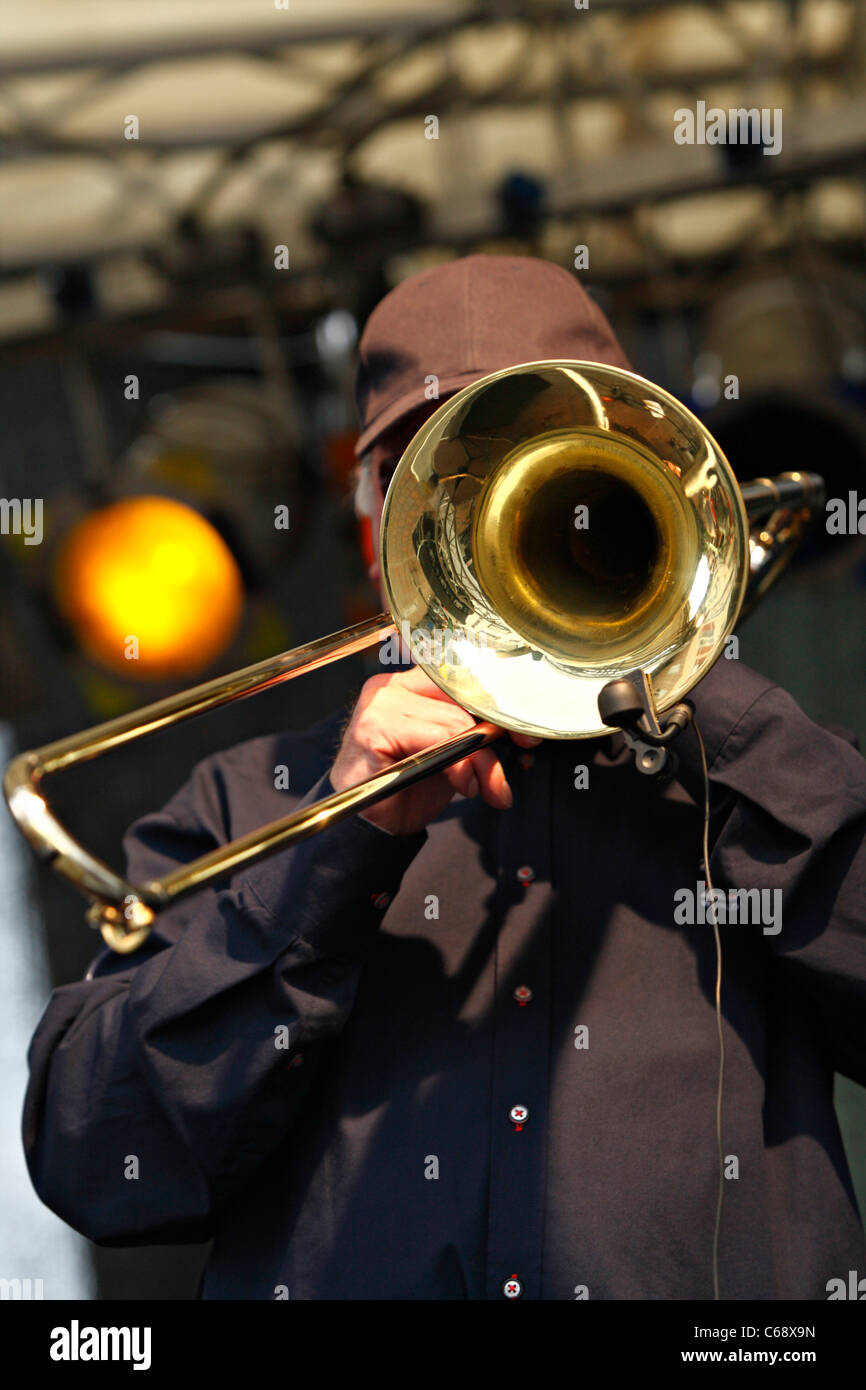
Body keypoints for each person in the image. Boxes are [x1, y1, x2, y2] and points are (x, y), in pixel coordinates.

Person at [23, 255, 866, 1300]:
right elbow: (102, 1165)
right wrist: (332, 854)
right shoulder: (244, 800)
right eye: (436, 476)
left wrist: (704, 684)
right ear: (375, 520)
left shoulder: (766, 777)